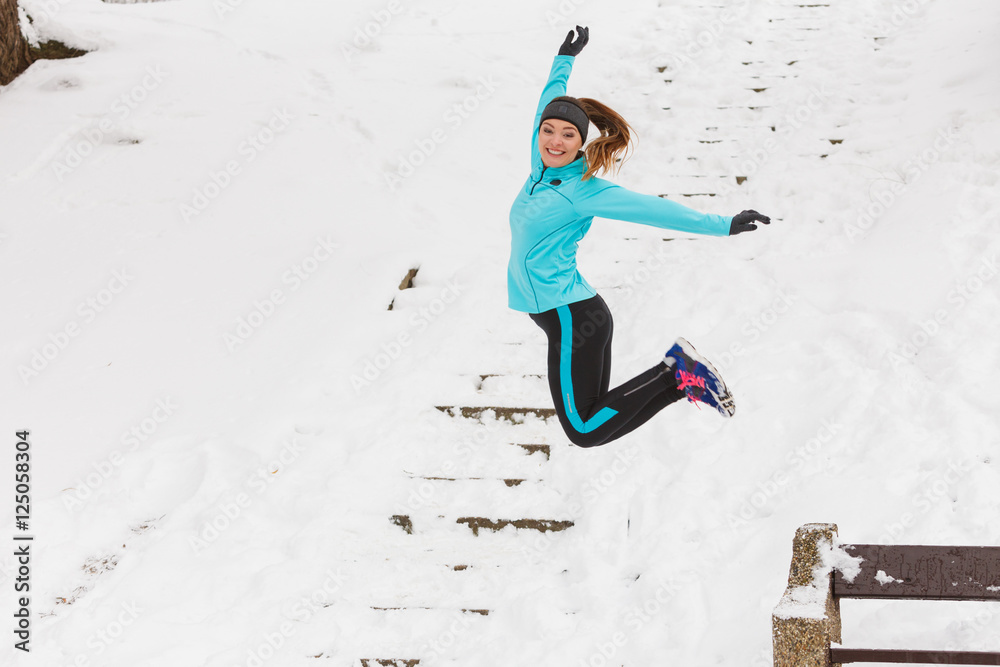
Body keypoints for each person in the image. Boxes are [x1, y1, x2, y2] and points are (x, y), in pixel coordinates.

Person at [507, 26, 771, 448]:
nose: (555, 140)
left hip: (572, 317)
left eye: (568, 135)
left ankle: (675, 371)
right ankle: (680, 381)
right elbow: (547, 102)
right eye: (548, 130)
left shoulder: (581, 189)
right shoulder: (540, 168)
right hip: (572, 316)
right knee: (594, 421)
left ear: (580, 144)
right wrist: (564, 61)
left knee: (584, 428)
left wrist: (721, 223)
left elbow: (652, 209)